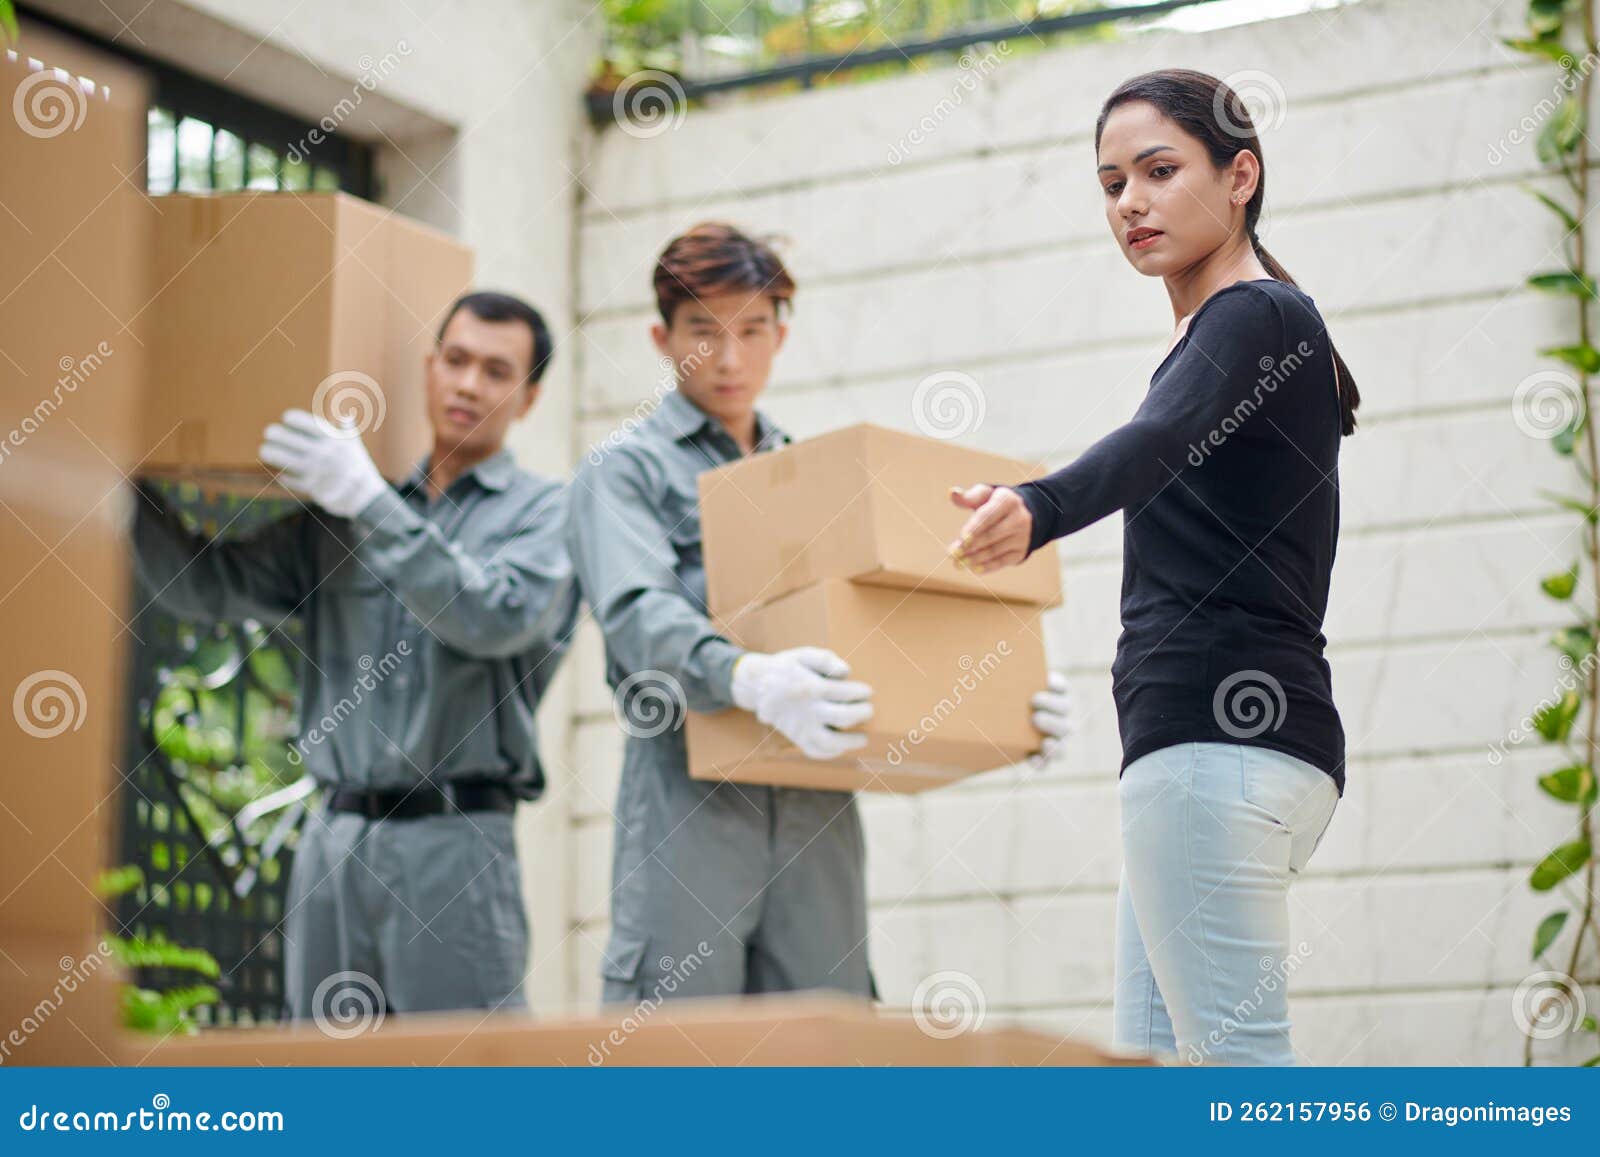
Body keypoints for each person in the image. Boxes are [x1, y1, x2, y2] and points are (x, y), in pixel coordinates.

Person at [947, 69, 1358, 1066]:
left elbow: (1156, 440)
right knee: (1155, 1081)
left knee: (1234, 1077)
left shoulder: (1257, 317)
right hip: (1210, 752)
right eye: (1110, 182)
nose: (1129, 201)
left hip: (1216, 740)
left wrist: (1038, 505)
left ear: (1240, 176)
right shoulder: (1229, 336)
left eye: (1159, 169)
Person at [567, 222, 1074, 1004]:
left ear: (781, 335)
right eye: (704, 331)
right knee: (675, 1054)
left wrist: (1007, 704)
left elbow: (891, 618)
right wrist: (746, 677)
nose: (730, 358)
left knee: (829, 1045)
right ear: (662, 337)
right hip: (689, 798)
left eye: (752, 330)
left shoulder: (815, 474)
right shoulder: (623, 471)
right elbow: (639, 615)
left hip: (818, 799)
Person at [131, 291, 579, 1020]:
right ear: (430, 368)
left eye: (496, 372)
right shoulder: (337, 515)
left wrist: (371, 499)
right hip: (334, 846)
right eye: (457, 361)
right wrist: (121, 477)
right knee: (325, 1091)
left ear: (528, 399)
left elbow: (489, 616)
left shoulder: (544, 515)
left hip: (454, 846)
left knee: (463, 1091)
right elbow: (202, 586)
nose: (469, 385)